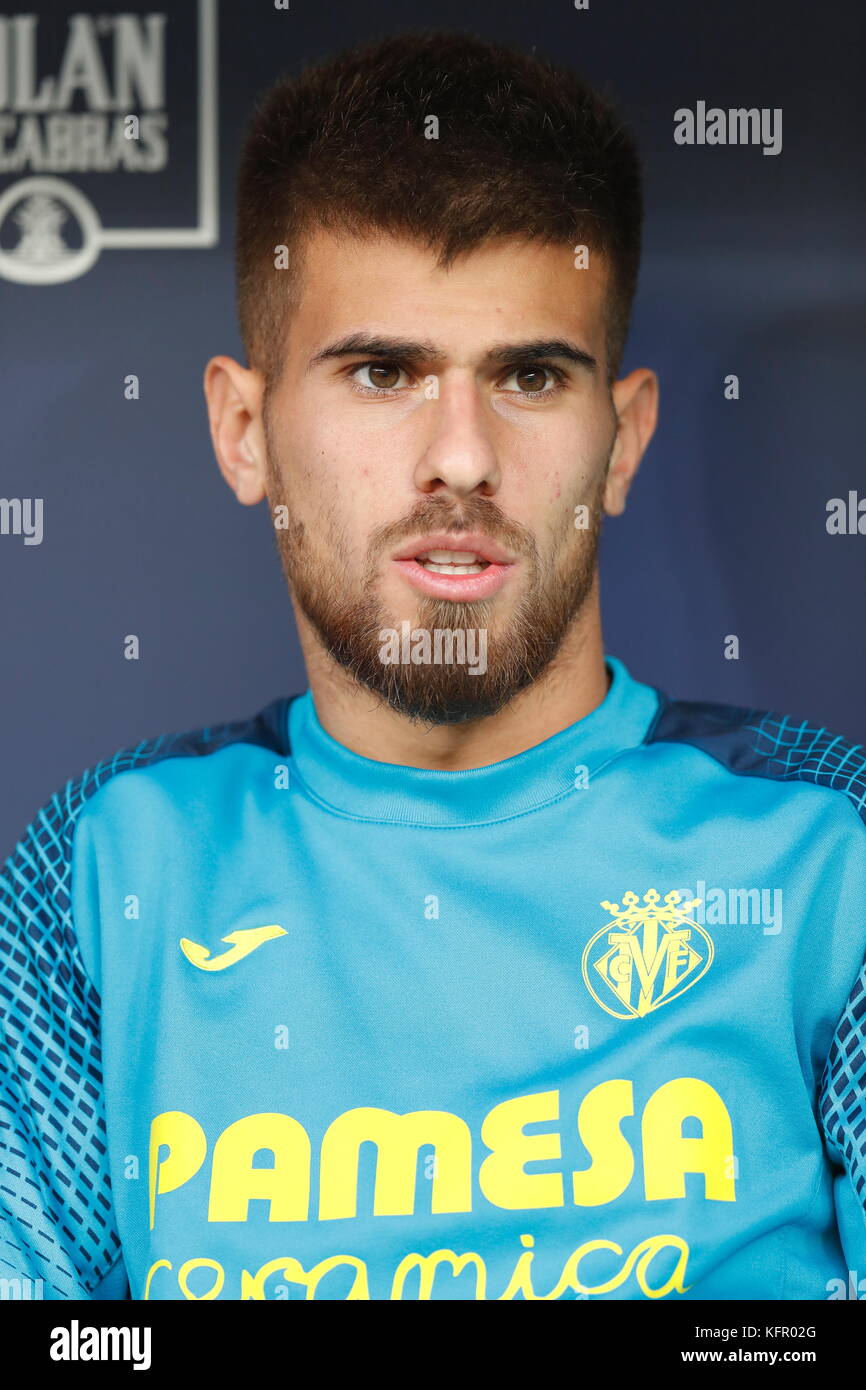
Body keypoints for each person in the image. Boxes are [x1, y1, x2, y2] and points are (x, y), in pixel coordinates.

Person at [1, 31, 864, 1303]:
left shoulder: (821, 842)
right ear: (245, 432)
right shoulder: (106, 866)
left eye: (525, 375)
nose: (457, 457)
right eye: (382, 371)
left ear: (619, 442)